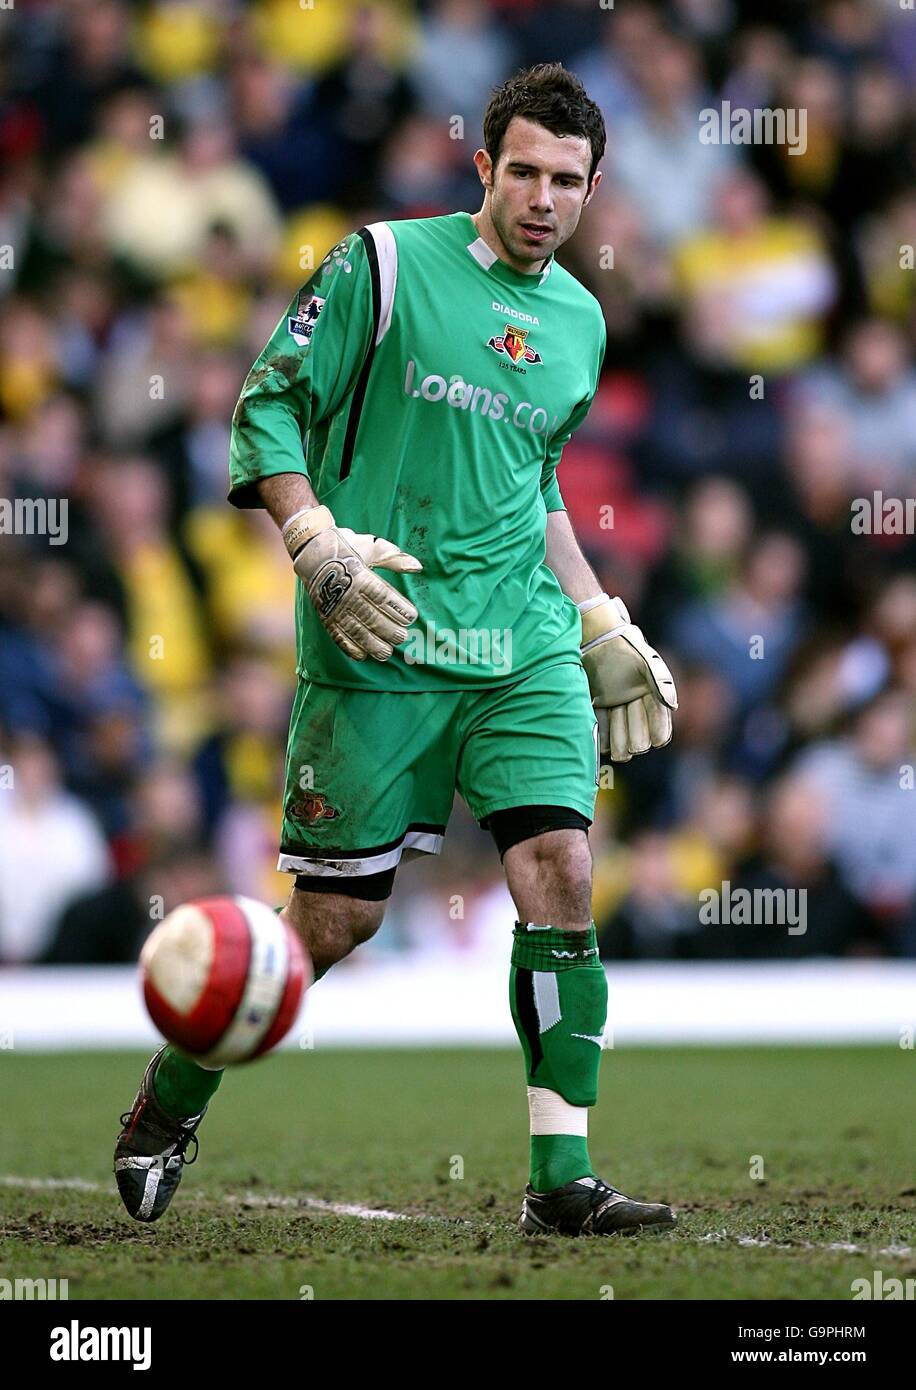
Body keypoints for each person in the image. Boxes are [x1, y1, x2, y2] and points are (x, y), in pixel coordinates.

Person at [114, 63, 678, 1238]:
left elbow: (536, 485)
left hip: (516, 641)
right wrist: (309, 534)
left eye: (566, 180)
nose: (541, 197)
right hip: (380, 630)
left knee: (562, 872)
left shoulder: (581, 321)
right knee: (331, 926)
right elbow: (267, 400)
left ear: (591, 191)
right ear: (482, 167)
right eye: (520, 170)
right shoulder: (378, 265)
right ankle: (171, 1097)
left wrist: (596, 615)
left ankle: (561, 1175)